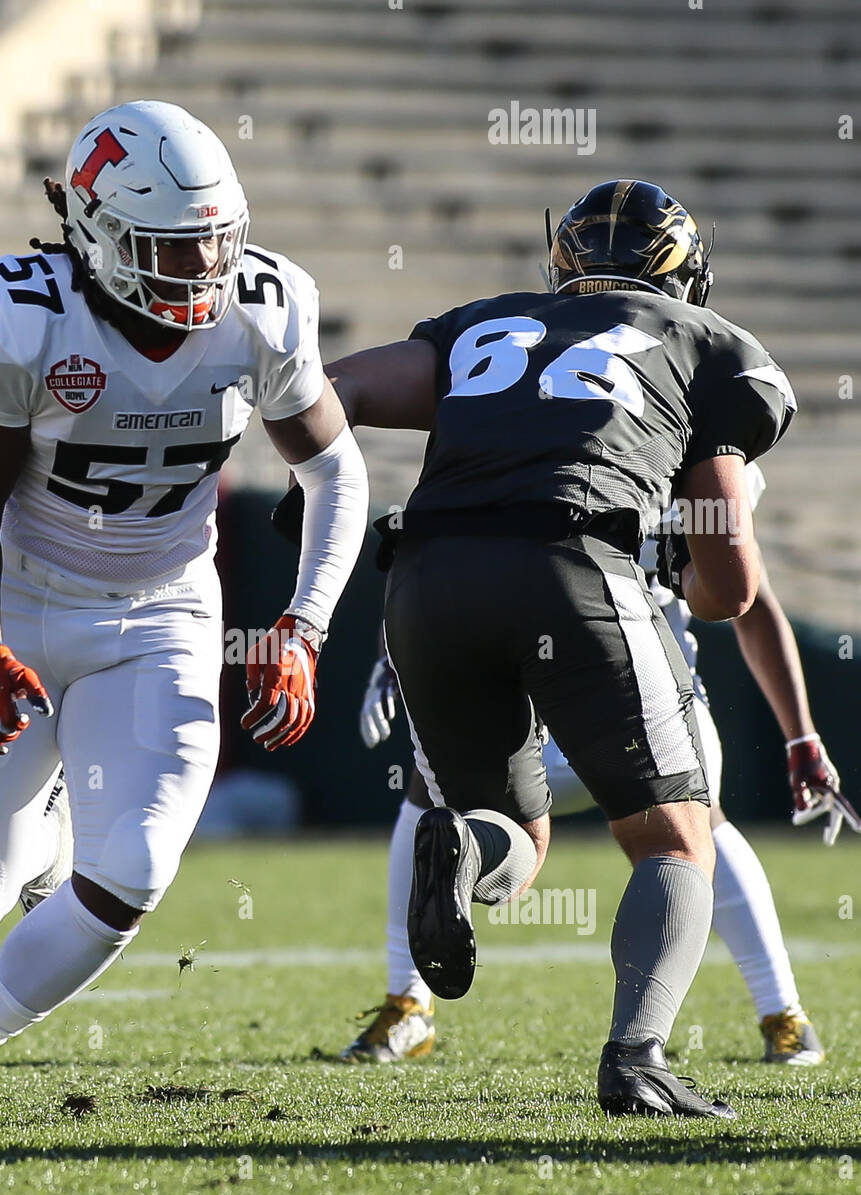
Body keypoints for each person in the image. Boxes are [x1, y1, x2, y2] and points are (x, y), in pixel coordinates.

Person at [0, 100, 368, 1134]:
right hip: (26, 600)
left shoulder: (264, 311)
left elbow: (334, 474)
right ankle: (42, 837)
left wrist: (304, 630)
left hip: (161, 615)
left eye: (212, 245)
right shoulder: (24, 315)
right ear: (94, 230)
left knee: (134, 865)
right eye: (168, 249)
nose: (198, 273)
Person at [323, 178, 800, 1118]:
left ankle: (461, 848)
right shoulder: (703, 347)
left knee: (516, 832)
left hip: (424, 577)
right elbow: (731, 582)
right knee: (674, 835)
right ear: (686, 278)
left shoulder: (482, 326)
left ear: (562, 265)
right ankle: (637, 1055)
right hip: (573, 565)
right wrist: (688, 589)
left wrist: (317, 498)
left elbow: (330, 390)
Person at [347, 522, 858, 1064]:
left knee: (695, 821)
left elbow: (745, 594)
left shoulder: (675, 449)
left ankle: (781, 1013)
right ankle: (411, 1002)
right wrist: (400, 655)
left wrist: (802, 735)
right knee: (435, 797)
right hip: (543, 716)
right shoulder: (501, 448)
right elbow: (425, 540)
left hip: (649, 701)